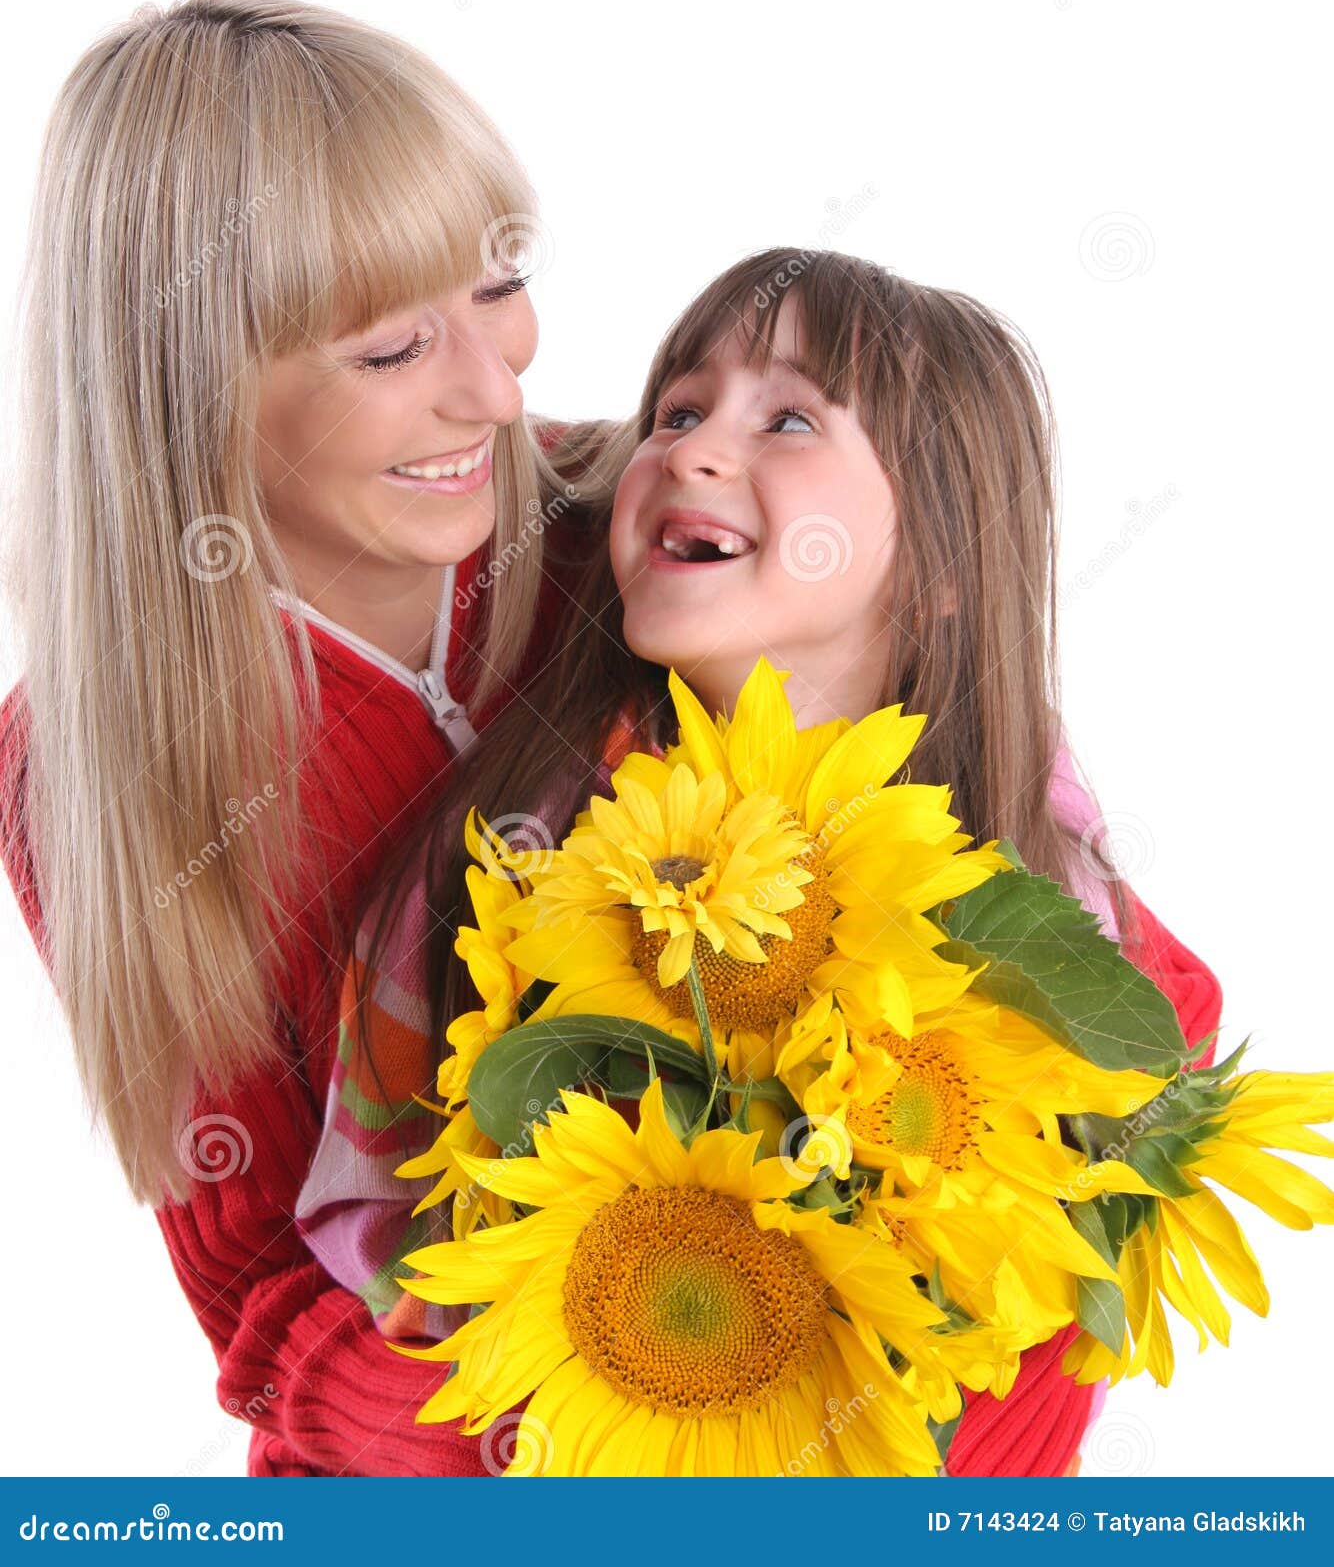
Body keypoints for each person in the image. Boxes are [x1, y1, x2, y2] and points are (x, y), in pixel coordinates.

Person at [295, 248, 1224, 1476]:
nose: (688, 447)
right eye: (675, 410)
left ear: (941, 565)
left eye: (786, 417)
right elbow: (384, 1239)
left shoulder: (1010, 851)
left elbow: (1098, 1152)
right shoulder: (519, 842)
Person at [0, 0, 594, 1476]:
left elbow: (1107, 992)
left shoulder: (650, 525)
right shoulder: (90, 761)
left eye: (500, 285)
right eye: (391, 349)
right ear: (189, 390)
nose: (494, 382)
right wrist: (653, 1417)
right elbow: (271, 1316)